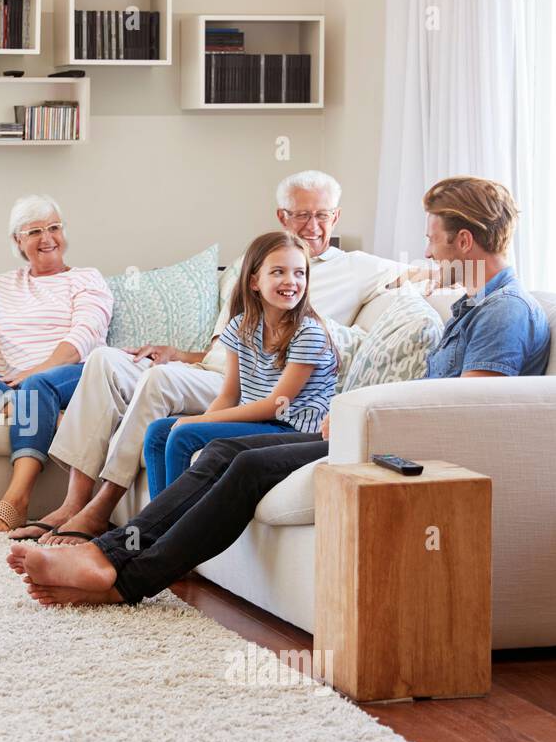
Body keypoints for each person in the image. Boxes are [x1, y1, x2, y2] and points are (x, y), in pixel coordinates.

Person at [9, 176, 550, 605]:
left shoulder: (504, 312)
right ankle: (108, 552)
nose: (427, 252)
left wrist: (365, 411)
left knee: (243, 465)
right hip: (380, 433)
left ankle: (121, 577)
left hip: (409, 452)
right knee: (222, 449)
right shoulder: (474, 304)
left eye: (432, 239)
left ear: (462, 241)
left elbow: (468, 413)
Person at [26, 169, 404, 544]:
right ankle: (88, 507)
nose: (312, 225)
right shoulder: (250, 284)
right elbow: (224, 360)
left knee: (162, 391)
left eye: (322, 215)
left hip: (276, 405)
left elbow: (428, 269)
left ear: (335, 217)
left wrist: (443, 278)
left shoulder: (355, 275)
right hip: (215, 373)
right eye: (302, 215)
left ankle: (117, 514)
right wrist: (180, 356)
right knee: (106, 363)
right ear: (282, 218)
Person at [0, 194, 113, 533]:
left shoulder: (87, 278)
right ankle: (39, 412)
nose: (47, 238)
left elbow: (82, 339)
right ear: (18, 240)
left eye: (54, 228)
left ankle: (16, 501)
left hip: (77, 377)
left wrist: (36, 370)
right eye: (34, 231)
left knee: (35, 386)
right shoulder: (3, 283)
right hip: (19, 386)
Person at [141, 231, 336, 497]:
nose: (291, 281)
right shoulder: (240, 327)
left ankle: (169, 529)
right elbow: (229, 394)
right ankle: (158, 526)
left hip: (294, 429)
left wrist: (200, 421)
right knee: (158, 432)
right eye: (278, 272)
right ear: (254, 281)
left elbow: (275, 406)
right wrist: (201, 422)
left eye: (299, 273)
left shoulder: (308, 333)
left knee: (183, 436)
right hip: (263, 423)